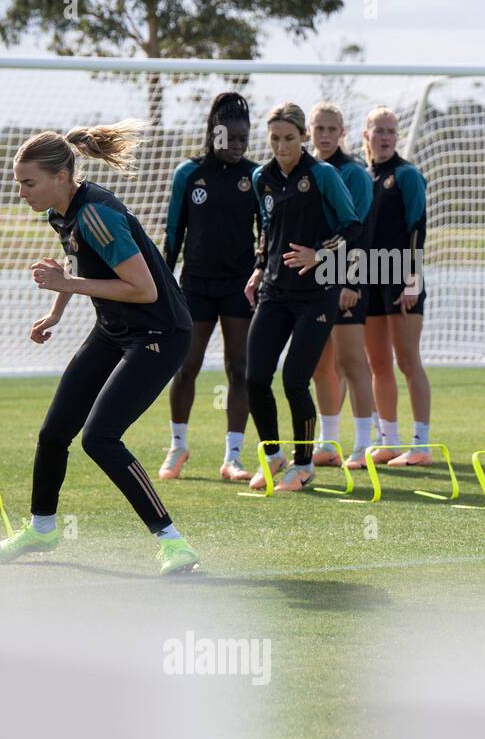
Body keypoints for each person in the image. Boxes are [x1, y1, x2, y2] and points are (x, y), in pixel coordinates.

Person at [0, 121, 199, 576]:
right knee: (53, 432)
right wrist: (59, 308)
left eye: (29, 182)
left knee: (99, 438)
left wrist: (68, 285)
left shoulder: (96, 213)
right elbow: (78, 260)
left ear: (61, 177)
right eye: (18, 181)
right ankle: (42, 528)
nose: (21, 191)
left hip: (158, 333)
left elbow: (144, 290)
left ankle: (173, 542)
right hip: (114, 327)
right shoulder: (63, 211)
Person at [244, 103, 362, 491]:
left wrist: (321, 256)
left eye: (289, 138)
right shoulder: (262, 177)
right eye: (275, 138)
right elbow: (266, 228)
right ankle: (274, 455)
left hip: (318, 293)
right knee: (255, 376)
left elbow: (354, 229)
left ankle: (304, 463)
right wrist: (260, 266)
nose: (281, 146)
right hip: (275, 291)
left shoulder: (323, 175)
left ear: (303, 138)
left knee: (295, 379)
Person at [161, 92, 258, 483]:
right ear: (213, 133)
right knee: (186, 366)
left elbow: (267, 232)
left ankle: (233, 456)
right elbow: (173, 231)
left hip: (239, 286)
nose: (236, 146)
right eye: (229, 137)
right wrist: (164, 282)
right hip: (196, 285)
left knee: (240, 368)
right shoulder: (189, 173)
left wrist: (261, 274)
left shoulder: (255, 176)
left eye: (243, 139)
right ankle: (178, 445)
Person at [306, 101, 377, 469]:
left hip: (347, 281)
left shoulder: (356, 174)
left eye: (332, 129)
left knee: (352, 363)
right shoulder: (307, 171)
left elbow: (360, 234)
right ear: (309, 131)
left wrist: (352, 282)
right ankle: (327, 442)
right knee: (320, 366)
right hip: (313, 284)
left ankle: (363, 445)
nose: (325, 135)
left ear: (343, 132)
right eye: (319, 128)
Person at [362, 105, 432, 466]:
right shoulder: (362, 176)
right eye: (379, 130)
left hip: (401, 278)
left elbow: (417, 228)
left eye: (391, 131)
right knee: (377, 363)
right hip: (369, 279)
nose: (385, 137)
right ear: (366, 136)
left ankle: (421, 445)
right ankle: (388, 440)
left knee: (407, 360)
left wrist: (412, 280)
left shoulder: (407, 175)